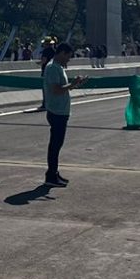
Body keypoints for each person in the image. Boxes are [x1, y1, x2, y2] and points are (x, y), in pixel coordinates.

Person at [41, 42, 87, 186]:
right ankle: (51, 176)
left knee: (57, 144)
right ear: (62, 53)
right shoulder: (53, 68)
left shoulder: (58, 67)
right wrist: (73, 84)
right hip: (57, 111)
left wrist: (75, 84)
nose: (68, 59)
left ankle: (54, 173)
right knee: (55, 144)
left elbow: (62, 88)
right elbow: (56, 89)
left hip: (60, 111)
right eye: (68, 56)